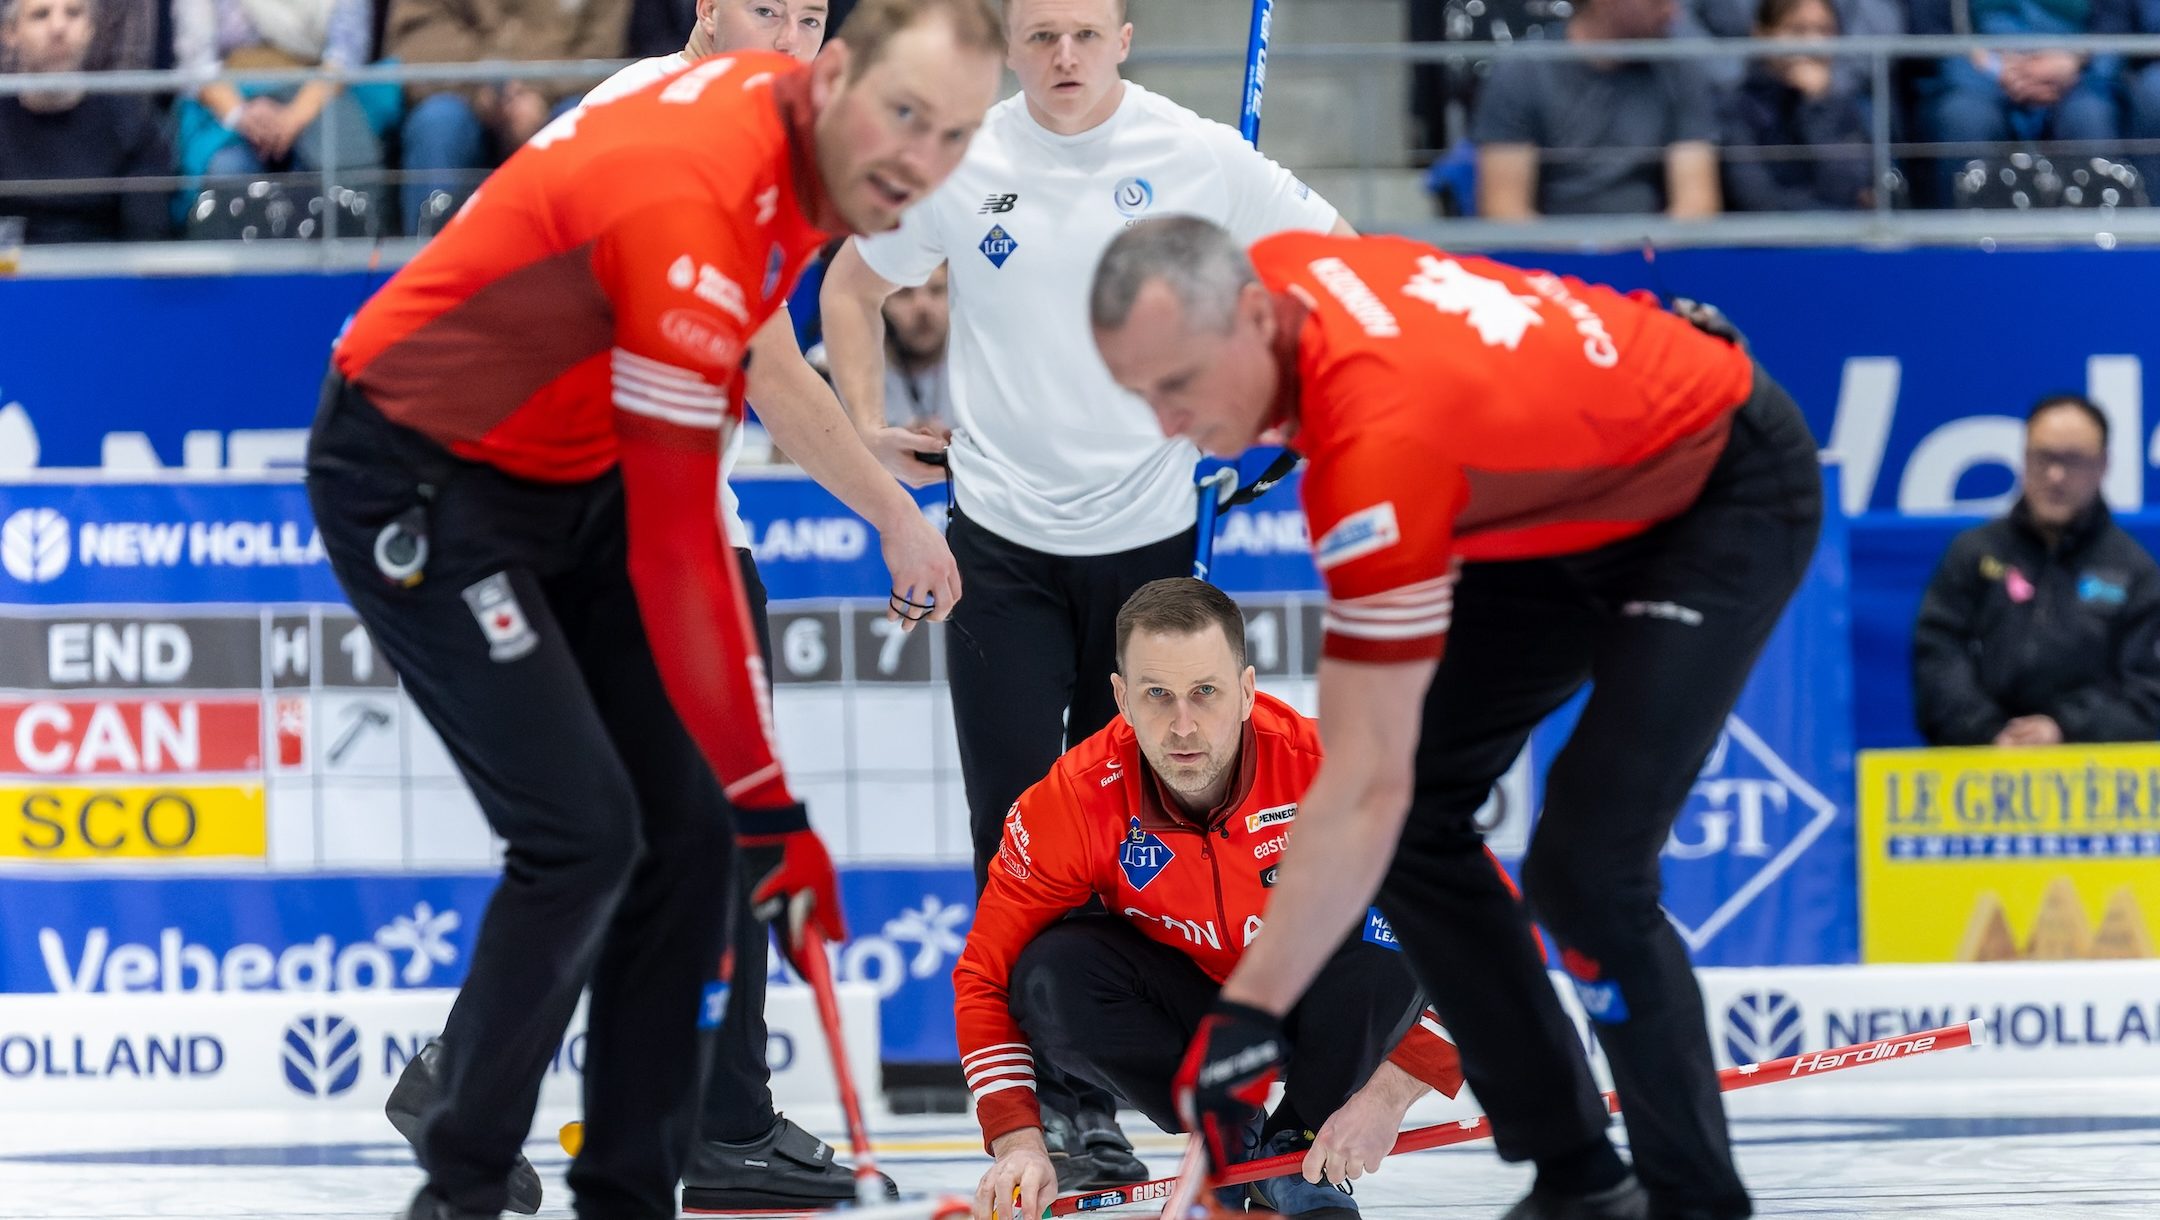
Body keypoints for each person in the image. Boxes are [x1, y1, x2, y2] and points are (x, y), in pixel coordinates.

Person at [312, 3, 1005, 1216]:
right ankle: (461, 1181)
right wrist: (769, 794)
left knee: (688, 837)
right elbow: (681, 535)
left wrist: (743, 803)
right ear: (828, 74)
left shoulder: (803, 153)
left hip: (570, 469)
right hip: (419, 463)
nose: (922, 163)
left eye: (951, 136)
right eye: (906, 119)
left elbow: (727, 413)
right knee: (583, 833)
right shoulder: (693, 191)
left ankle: (630, 1186)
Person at [1089, 218, 1823, 1220]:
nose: (1167, 424)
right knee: (1419, 822)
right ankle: (1578, 1177)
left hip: (1716, 487)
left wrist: (1251, 1007)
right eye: (1141, 394)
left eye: (1178, 384)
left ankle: (1696, 1202)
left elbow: (1360, 780)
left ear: (1254, 316)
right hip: (1564, 493)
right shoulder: (1281, 271)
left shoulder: (1373, 448)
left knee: (1587, 874)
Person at [819, 0, 1348, 1185]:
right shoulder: (964, 156)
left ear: (1125, 37)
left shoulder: (1196, 152)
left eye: (1085, 35)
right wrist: (857, 430)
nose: (1064, 58)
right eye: (1041, 34)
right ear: (1010, 43)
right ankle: (1056, 1109)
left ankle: (1193, 1080)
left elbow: (1339, 260)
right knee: (1014, 838)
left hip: (1149, 552)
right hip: (997, 547)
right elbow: (848, 287)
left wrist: (1276, 394)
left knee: (1164, 835)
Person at [957, 577, 1466, 1220]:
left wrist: (1390, 1096)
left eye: (1206, 692)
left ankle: (1297, 1143)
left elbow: (1490, 929)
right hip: (1192, 1019)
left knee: (1398, 919)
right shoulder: (1073, 801)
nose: (1183, 725)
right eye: (1156, 696)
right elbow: (984, 976)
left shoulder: (1337, 766)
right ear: (1120, 699)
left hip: (1324, 1005)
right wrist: (1017, 1142)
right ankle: (1231, 1137)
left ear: (1248, 691)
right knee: (1045, 975)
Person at [1912, 394, 2160, 747]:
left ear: (2103, 465)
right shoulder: (1972, 554)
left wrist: (2064, 729)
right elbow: (1937, 659)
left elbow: (2148, 692)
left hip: (2092, 779)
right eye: (2043, 457)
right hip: (1977, 766)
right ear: (2024, 458)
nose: (2055, 476)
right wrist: (1988, 731)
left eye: (2072, 460)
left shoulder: (2135, 573)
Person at [385, 0, 629, 234]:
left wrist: (536, 93)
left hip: (560, 93)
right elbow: (419, 37)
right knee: (438, 122)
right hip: (465, 89)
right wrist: (487, 85)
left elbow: (604, 49)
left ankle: (587, 267)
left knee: (581, 119)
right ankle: (429, 266)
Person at [1472, 0, 1722, 218]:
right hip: (1547, 260)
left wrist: (1634, 255)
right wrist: (1579, 258)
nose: (1674, 12)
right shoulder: (1522, 72)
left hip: (1651, 257)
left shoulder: (1680, 71)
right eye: (1656, 1)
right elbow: (1503, 211)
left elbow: (1697, 206)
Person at [172, 0, 384, 208]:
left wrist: (293, 118)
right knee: (228, 169)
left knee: (331, 175)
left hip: (319, 101)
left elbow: (346, 55)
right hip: (227, 107)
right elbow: (197, 64)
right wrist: (242, 115)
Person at [0, 0, 170, 242]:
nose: (58, 27)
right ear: (10, 33)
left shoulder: (131, 126)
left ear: (90, 28)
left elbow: (146, 242)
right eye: (40, 15)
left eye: (73, 13)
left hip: (107, 276)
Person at [1721, 0, 1874, 212]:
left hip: (1841, 240)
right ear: (1761, 34)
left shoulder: (1839, 105)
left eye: (1824, 30)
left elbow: (1849, 190)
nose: (1813, 45)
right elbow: (1756, 199)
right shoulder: (1736, 106)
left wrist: (1818, 106)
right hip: (1767, 242)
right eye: (1797, 30)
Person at [882, 265, 952, 430]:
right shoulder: (842, 373)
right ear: (880, 304)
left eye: (937, 290)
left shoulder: (985, 369)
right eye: (904, 293)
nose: (922, 307)